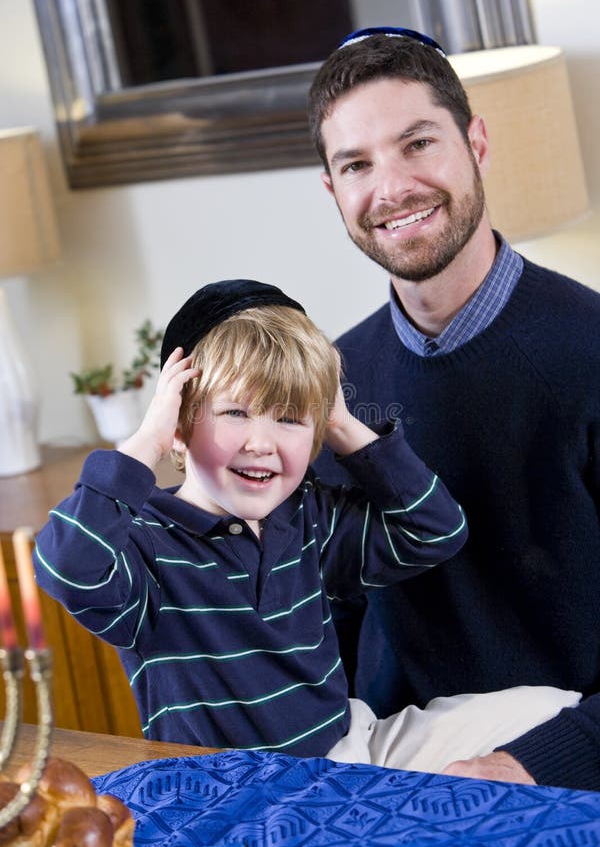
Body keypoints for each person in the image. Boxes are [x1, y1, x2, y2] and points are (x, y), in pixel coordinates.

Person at [34, 279, 576, 771]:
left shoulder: (309, 517)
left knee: (552, 709)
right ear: (177, 427)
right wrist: (144, 445)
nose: (262, 442)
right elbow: (69, 565)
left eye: (290, 419)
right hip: (239, 789)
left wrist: (338, 422)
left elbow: (436, 530)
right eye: (235, 413)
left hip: (355, 747)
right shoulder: (144, 544)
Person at [308, 26, 600, 791]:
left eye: (418, 143)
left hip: (562, 780)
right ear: (332, 190)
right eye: (357, 164)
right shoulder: (325, 384)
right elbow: (320, 634)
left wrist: (536, 763)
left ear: (476, 141)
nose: (393, 186)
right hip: (387, 778)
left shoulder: (592, 351)